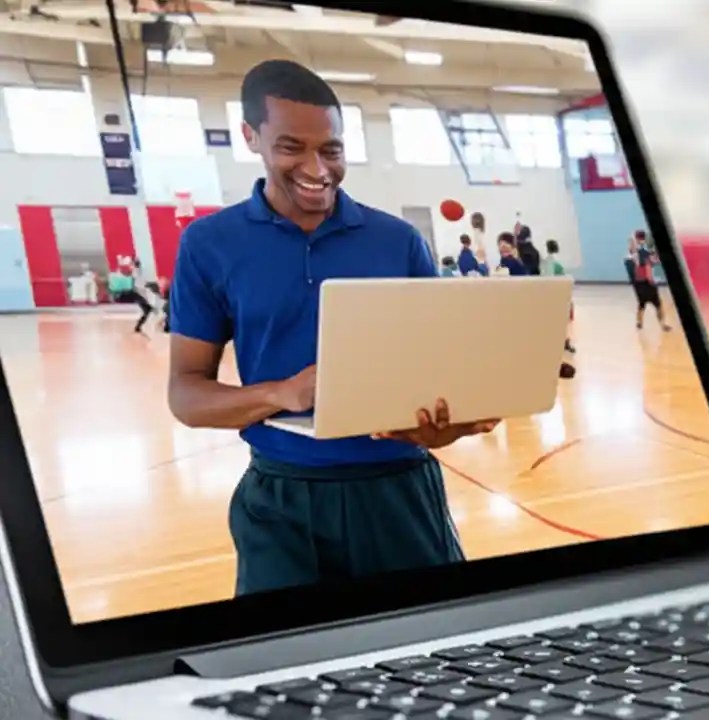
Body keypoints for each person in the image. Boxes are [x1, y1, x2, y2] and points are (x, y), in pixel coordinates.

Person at [167, 59, 500, 597]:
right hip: (282, 500)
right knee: (286, 672)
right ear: (251, 136)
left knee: (432, 658)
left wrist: (447, 425)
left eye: (332, 150)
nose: (316, 168)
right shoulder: (209, 244)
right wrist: (284, 393)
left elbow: (437, 377)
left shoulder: (397, 242)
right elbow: (186, 394)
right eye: (291, 147)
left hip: (399, 492)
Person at [630, 230, 671, 331]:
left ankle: (639, 323)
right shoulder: (645, 252)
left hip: (638, 283)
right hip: (647, 282)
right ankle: (663, 325)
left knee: (641, 304)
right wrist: (651, 280)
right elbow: (648, 266)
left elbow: (632, 248)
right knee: (658, 304)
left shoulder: (635, 252)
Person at [545, 240, 576, 354]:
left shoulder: (546, 261)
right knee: (564, 321)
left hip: (550, 293)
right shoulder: (558, 262)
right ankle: (564, 341)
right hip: (559, 294)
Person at [108, 263, 154, 334]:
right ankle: (138, 326)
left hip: (136, 294)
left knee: (147, 310)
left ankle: (138, 326)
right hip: (133, 294)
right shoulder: (134, 276)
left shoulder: (135, 275)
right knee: (147, 309)